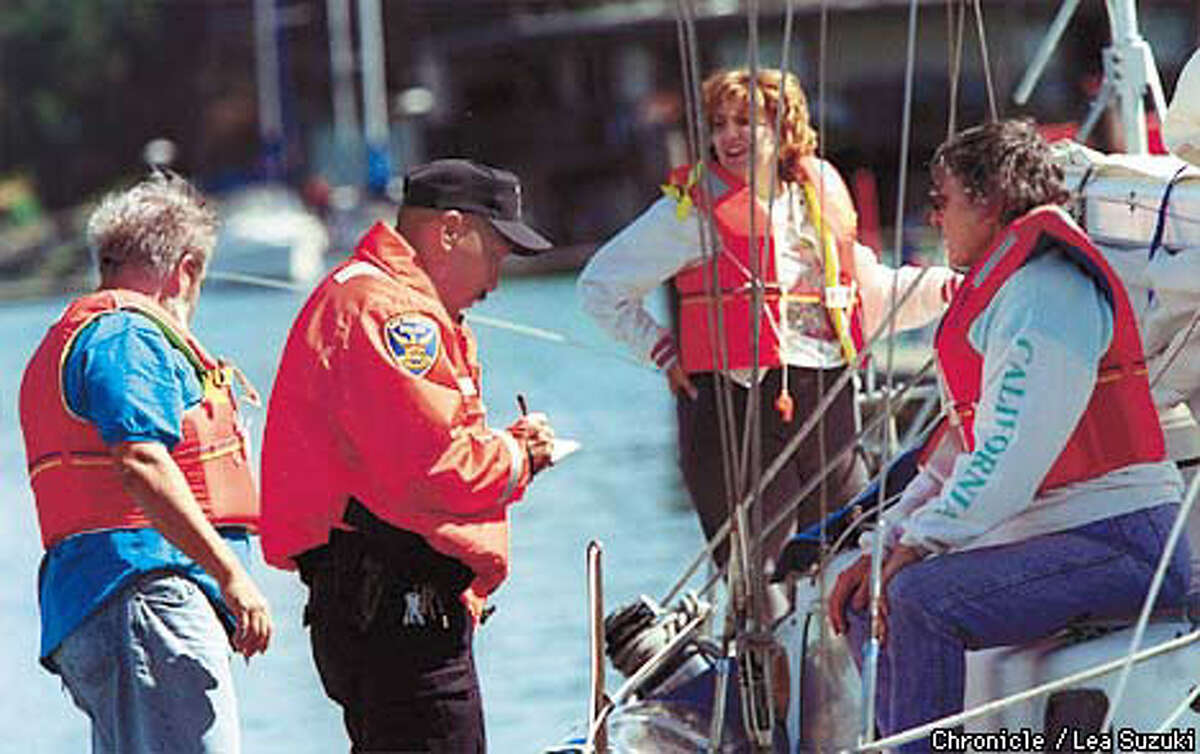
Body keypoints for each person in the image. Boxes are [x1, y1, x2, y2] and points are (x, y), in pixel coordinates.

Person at [827, 119, 1192, 751]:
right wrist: (886, 543)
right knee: (868, 594)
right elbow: (953, 455)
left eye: (941, 201)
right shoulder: (1006, 293)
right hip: (1060, 537)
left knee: (918, 601)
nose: (934, 219)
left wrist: (921, 545)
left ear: (989, 200)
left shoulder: (1048, 294)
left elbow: (1010, 455)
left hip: (1127, 540)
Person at [578, 68, 959, 575]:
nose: (728, 135)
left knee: (856, 549)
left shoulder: (818, 199)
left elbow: (875, 298)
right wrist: (661, 350)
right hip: (738, 410)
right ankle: (766, 651)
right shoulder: (691, 214)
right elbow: (601, 285)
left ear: (784, 126)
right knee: (765, 578)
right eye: (718, 124)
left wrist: (956, 287)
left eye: (744, 121)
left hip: (827, 399)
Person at [260, 158, 557, 752]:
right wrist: (518, 454)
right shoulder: (392, 314)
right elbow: (437, 467)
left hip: (374, 601)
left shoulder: (371, 296)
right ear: (449, 231)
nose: (495, 281)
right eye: (495, 255)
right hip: (398, 609)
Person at [18, 172, 273, 753]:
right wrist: (233, 579)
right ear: (185, 270)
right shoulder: (127, 336)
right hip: (145, 596)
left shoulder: (91, 332)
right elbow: (140, 461)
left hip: (112, 602)